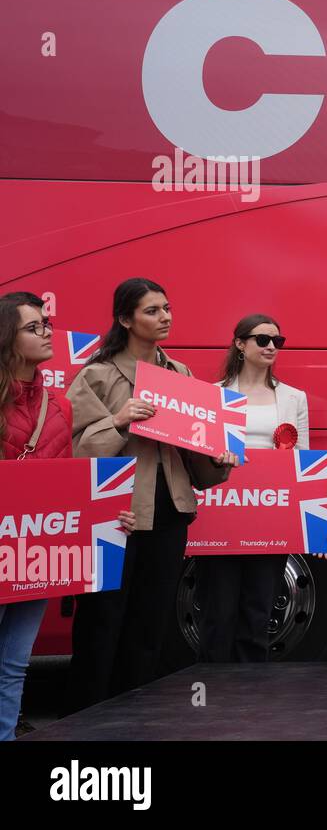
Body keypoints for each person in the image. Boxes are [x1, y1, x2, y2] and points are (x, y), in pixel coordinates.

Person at [64, 278, 235, 714]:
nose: (165, 317)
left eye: (167, 308)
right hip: (114, 514)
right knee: (102, 619)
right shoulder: (97, 375)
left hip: (170, 510)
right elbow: (75, 452)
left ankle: (136, 711)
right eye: (152, 310)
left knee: (151, 619)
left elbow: (198, 467)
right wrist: (119, 421)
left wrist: (217, 457)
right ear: (125, 319)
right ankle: (89, 712)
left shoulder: (180, 375)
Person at [0, 293, 92, 740]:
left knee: (16, 664)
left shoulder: (61, 406)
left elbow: (66, 487)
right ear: (7, 337)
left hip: (35, 553)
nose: (46, 332)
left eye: (46, 324)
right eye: (33, 327)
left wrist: (100, 520)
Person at [194, 314, 310, 663]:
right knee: (218, 612)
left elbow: (301, 461)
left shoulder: (294, 398)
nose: (272, 346)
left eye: (277, 341)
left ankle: (249, 697)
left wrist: (310, 522)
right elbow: (200, 457)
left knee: (258, 612)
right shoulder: (212, 395)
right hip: (222, 514)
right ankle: (212, 692)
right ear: (240, 344)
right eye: (262, 339)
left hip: (269, 516)